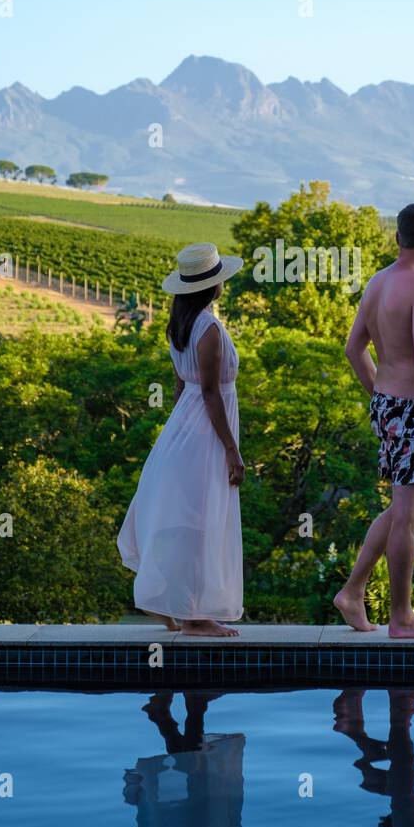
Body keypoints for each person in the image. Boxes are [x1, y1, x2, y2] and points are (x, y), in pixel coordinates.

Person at [117, 242, 245, 637]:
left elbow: (180, 386)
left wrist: (178, 432)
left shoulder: (180, 324)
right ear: (213, 286)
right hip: (207, 428)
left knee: (184, 515)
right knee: (202, 517)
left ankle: (177, 604)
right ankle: (196, 616)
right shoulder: (208, 328)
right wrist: (230, 449)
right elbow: (209, 392)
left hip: (186, 424)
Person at [335, 203, 414, 638]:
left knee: (403, 510)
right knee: (408, 517)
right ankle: (401, 618)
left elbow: (354, 349)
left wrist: (379, 399)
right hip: (412, 409)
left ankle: (352, 591)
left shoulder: (377, 283)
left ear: (397, 237)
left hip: (388, 404)